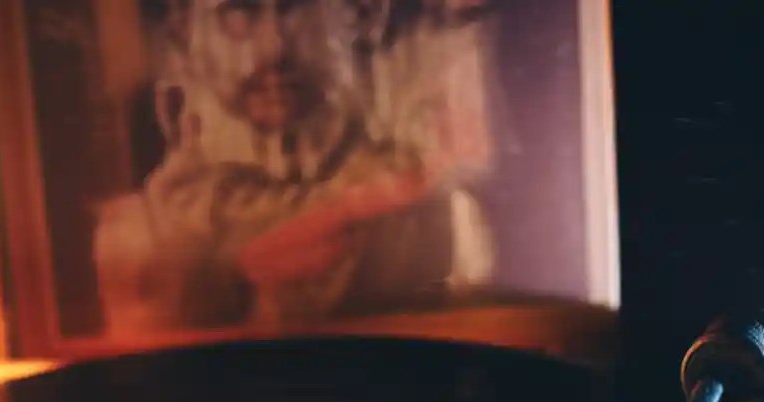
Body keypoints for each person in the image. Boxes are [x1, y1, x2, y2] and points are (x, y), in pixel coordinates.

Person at [93, 0, 497, 335]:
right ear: (184, 31)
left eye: (299, 9)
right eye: (238, 14)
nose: (274, 48)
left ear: (359, 17)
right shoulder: (144, 238)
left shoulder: (440, 228)